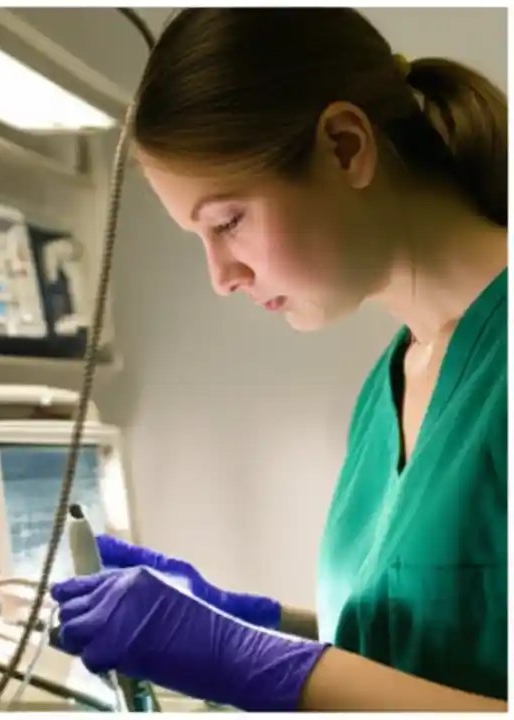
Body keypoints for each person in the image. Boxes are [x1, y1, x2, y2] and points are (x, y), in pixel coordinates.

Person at [50, 8, 506, 712]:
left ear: (347, 146)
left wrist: (252, 662)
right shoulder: (393, 384)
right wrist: (249, 626)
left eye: (227, 222)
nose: (222, 275)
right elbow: (424, 649)